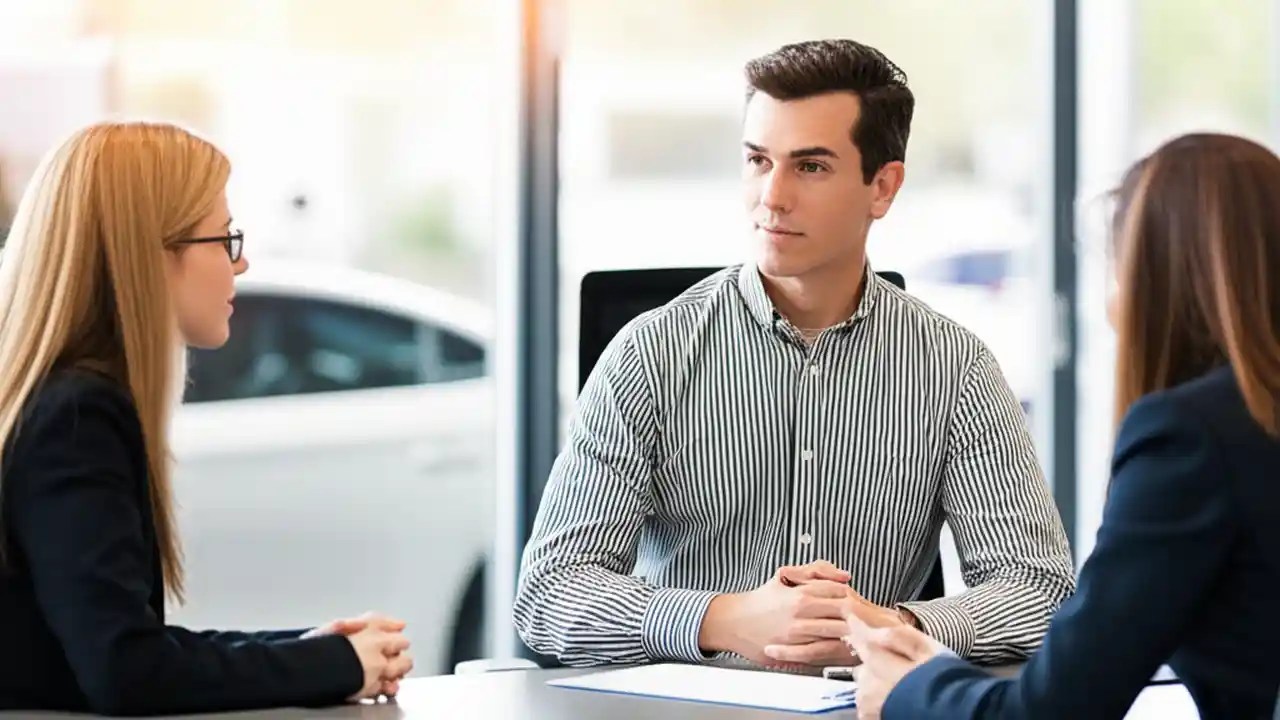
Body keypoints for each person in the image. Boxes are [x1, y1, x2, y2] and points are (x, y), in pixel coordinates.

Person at [514, 38, 1074, 672]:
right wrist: (724, 619)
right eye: (758, 160)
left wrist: (890, 626)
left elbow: (1042, 591)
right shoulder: (652, 353)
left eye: (810, 166)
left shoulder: (954, 367)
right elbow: (549, 594)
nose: (771, 196)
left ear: (882, 188)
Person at [845, 132, 1280, 720]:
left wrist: (914, 687)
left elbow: (1052, 711)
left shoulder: (1191, 438)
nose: (1110, 305)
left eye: (1118, 269)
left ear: (1156, 278)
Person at [0, 121, 413, 715]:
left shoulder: (53, 398)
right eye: (224, 239)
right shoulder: (77, 415)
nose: (238, 265)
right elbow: (128, 671)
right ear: (150, 253)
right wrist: (331, 664)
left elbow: (116, 650)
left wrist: (313, 652)